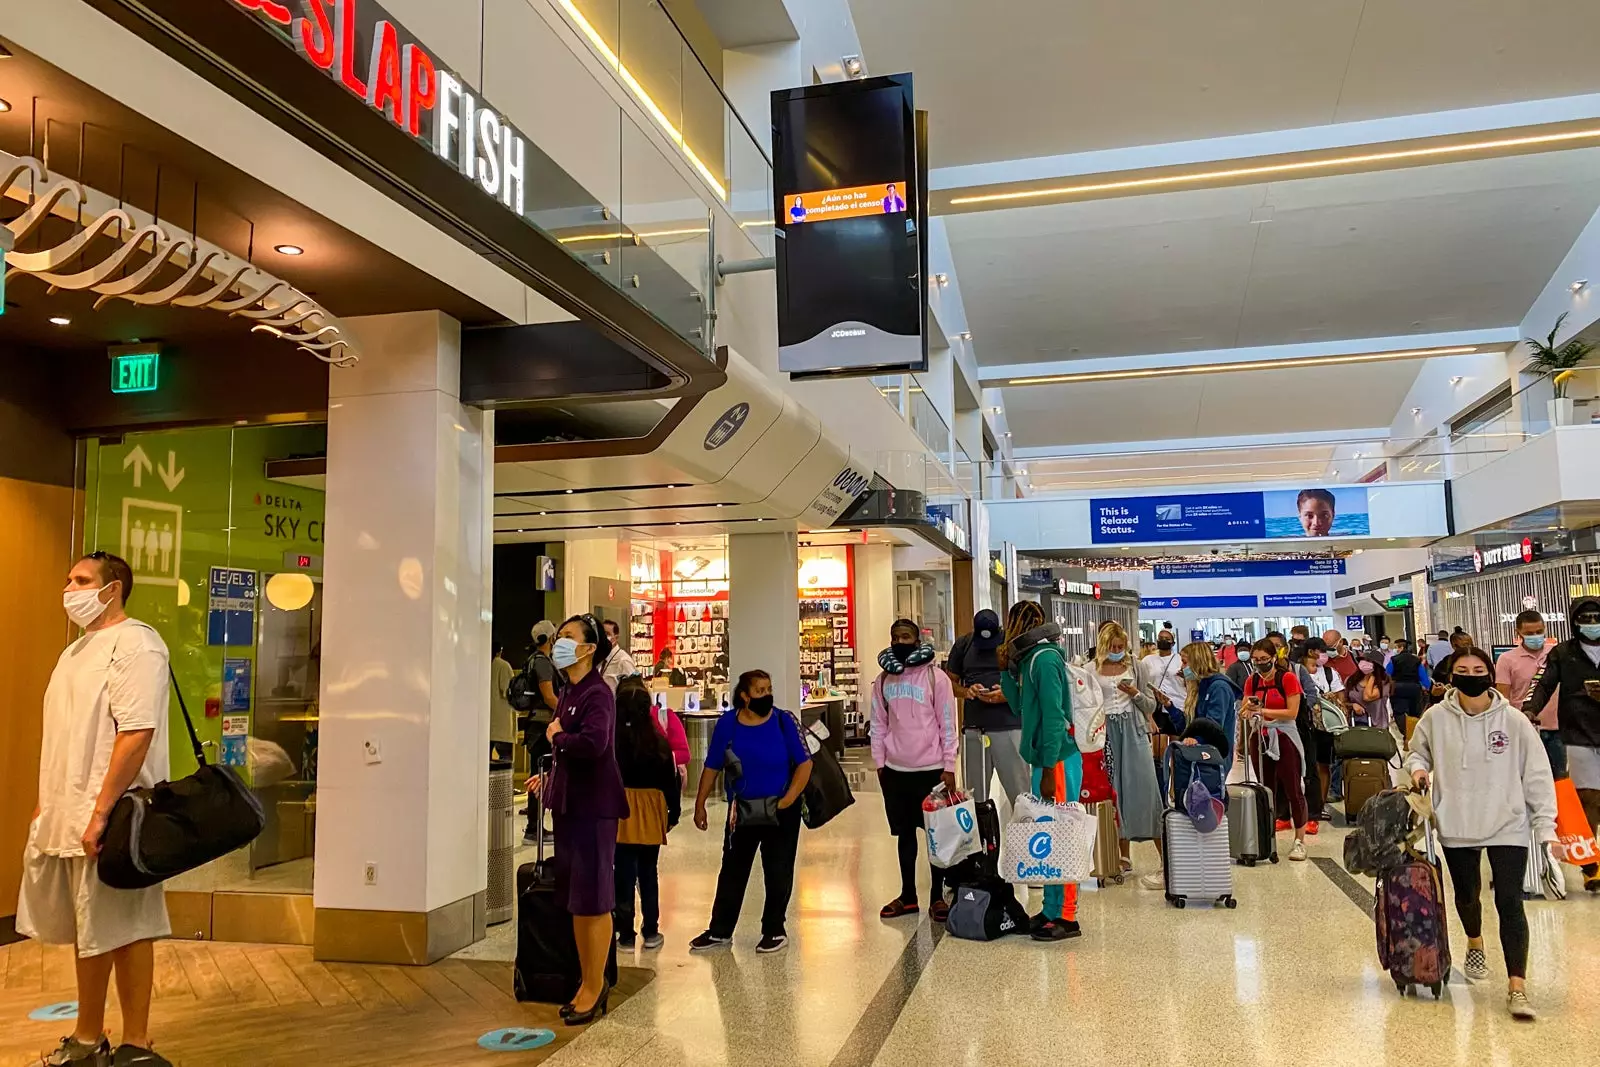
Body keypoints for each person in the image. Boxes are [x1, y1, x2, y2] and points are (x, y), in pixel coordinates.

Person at [17, 552, 173, 1067]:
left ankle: (137, 1043)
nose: (70, 589)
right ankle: (88, 1038)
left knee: (127, 927)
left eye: (82, 580)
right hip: (71, 815)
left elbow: (136, 733)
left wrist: (103, 810)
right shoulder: (76, 652)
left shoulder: (137, 644)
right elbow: (65, 738)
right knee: (92, 929)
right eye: (68, 579)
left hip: (114, 816)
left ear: (114, 589)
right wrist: (49, 804)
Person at [1406, 646, 1557, 1021]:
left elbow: (1537, 773)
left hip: (1508, 822)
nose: (1470, 675)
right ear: (1451, 675)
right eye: (1462, 669)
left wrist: (1545, 827)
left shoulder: (1514, 721)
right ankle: (1475, 940)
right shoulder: (1436, 717)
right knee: (1468, 894)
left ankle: (1517, 987)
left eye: (1477, 669)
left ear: (1489, 674)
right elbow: (1416, 753)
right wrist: (1418, 770)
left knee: (1510, 902)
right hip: (1457, 822)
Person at [527, 615, 626, 1025]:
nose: (559, 643)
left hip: (594, 808)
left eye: (568, 637)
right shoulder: (569, 690)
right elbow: (567, 750)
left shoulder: (597, 693)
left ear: (588, 648)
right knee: (576, 901)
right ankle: (585, 979)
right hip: (570, 806)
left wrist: (556, 737)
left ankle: (594, 984)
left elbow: (594, 743)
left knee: (594, 900)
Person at [691, 670, 813, 953]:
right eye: (759, 691)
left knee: (778, 869)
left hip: (780, 810)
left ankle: (774, 929)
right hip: (741, 810)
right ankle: (720, 930)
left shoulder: (784, 721)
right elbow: (712, 765)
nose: (766, 695)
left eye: (768, 689)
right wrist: (700, 805)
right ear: (744, 696)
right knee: (733, 869)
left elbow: (805, 763)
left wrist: (789, 798)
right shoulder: (728, 724)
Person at [996, 601, 1082, 941]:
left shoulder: (1046, 659)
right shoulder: (1030, 660)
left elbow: (1053, 717)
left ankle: (1068, 916)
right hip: (1044, 759)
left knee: (1063, 834)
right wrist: (1006, 672)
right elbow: (1019, 707)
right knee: (1047, 835)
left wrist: (1047, 768)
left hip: (1056, 758)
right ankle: (1049, 909)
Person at [872, 620, 959, 922]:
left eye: (905, 636)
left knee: (935, 837)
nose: (900, 641)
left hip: (931, 771)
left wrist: (949, 765)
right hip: (896, 771)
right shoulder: (884, 680)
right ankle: (908, 895)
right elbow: (879, 724)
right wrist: (880, 763)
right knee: (904, 835)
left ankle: (937, 896)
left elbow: (947, 723)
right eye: (895, 637)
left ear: (917, 639)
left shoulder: (937, 679)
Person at [1523, 596, 1600, 893]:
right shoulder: (1563, 653)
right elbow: (1543, 684)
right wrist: (1530, 708)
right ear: (1575, 621)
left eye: (1596, 618)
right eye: (1586, 618)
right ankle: (1590, 865)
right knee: (1588, 798)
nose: (1592, 624)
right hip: (1579, 732)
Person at [1090, 621, 1165, 886]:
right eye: (1113, 647)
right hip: (1104, 735)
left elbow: (1151, 704)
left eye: (1121, 647)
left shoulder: (1137, 667)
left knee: (1146, 791)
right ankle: (1122, 857)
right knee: (1112, 793)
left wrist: (1133, 693)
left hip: (1133, 731)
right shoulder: (1090, 670)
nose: (1118, 651)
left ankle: (1165, 860)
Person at [611, 679, 681, 951]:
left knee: (623, 873)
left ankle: (625, 934)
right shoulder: (659, 743)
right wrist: (673, 813)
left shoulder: (613, 744)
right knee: (648, 872)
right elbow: (670, 782)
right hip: (652, 810)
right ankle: (651, 930)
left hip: (622, 811)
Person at [945, 609, 1030, 806]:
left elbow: (1029, 683)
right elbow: (948, 683)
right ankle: (981, 836)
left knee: (1020, 796)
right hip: (975, 730)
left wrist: (1008, 693)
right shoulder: (964, 645)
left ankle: (1025, 834)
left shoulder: (1012, 646)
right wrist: (967, 691)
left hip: (1009, 728)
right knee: (973, 797)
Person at [1242, 638, 1309, 862]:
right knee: (1265, 789)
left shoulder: (1287, 678)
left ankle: (1300, 840)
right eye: (1256, 660)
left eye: (1264, 659)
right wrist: (1248, 711)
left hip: (1284, 736)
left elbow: (1292, 712)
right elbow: (1245, 707)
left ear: (1273, 658)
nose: (1260, 664)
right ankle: (1266, 838)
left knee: (1293, 788)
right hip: (1259, 737)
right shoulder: (1252, 681)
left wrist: (1264, 710)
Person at [1497, 610, 1563, 778]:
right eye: (1529, 633)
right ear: (1518, 633)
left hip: (1558, 727)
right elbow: (1502, 698)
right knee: (1528, 779)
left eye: (1539, 632)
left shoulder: (1557, 653)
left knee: (1560, 780)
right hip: (1524, 728)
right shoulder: (1506, 659)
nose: (1535, 636)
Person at [522, 621, 562, 844]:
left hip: (534, 727)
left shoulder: (534, 661)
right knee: (540, 777)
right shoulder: (542, 663)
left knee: (538, 776)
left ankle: (534, 826)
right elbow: (548, 695)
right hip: (542, 727)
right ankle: (533, 828)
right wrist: (564, 713)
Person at [1181, 641, 1239, 753]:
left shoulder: (1219, 687)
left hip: (1214, 754)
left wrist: (1197, 740)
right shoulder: (1199, 686)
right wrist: (1170, 707)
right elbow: (1189, 723)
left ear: (1197, 662)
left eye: (1185, 662)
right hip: (1198, 750)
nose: (1182, 667)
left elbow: (1214, 725)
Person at [1388, 637, 1432, 743]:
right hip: (1414, 688)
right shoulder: (1416, 660)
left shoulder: (1394, 660)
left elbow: (1387, 674)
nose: (1396, 650)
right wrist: (1427, 687)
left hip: (1397, 688)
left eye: (1396, 648)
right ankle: (1413, 734)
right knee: (1414, 712)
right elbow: (1423, 676)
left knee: (1399, 712)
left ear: (1401, 648)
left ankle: (1405, 734)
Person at [1343, 652, 1393, 730]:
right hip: (1355, 725)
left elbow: (1367, 696)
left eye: (1369, 661)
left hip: (1378, 728)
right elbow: (1343, 701)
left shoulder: (1384, 683)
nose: (1364, 663)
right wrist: (1352, 705)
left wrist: (1372, 677)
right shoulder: (1350, 680)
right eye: (1363, 660)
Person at [491, 642, 516, 761]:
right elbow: (508, 690)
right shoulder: (503, 665)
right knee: (505, 758)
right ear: (499, 651)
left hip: (485, 723)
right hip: (501, 721)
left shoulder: (481, 663)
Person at [599, 620, 638, 691]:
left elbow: (634, 691)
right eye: (601, 633)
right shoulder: (601, 658)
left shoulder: (624, 661)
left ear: (616, 638)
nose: (603, 637)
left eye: (607, 634)